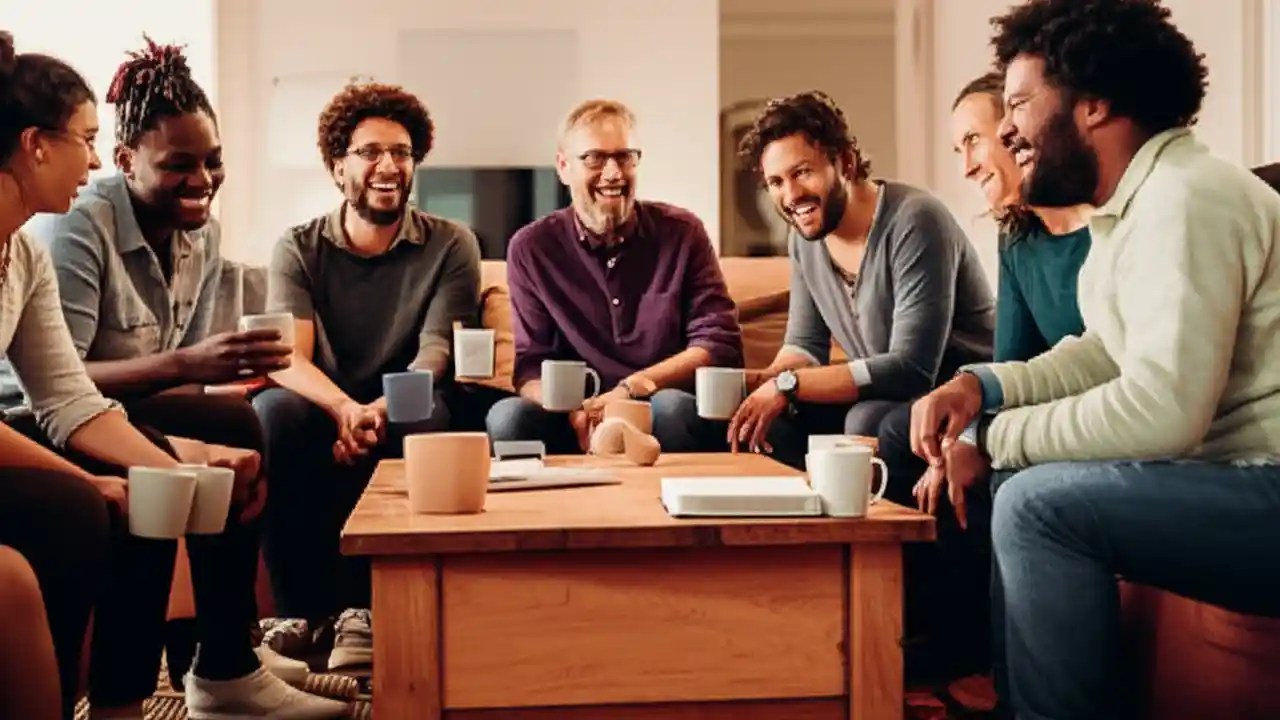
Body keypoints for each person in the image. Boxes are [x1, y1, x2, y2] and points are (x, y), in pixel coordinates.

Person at [909, 2, 1280, 718]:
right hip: (1239, 482)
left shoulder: (1187, 198)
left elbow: (1161, 411)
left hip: (1267, 488)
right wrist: (983, 386)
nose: (1008, 129)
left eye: (1018, 103)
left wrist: (991, 437)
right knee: (1028, 487)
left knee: (1037, 504)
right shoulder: (1134, 209)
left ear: (1095, 102)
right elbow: (1107, 350)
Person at [0, 33, 346, 720]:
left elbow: (71, 396)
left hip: (73, 414)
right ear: (37, 144)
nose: (93, 159)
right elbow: (49, 403)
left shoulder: (23, 258)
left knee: (183, 461)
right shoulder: (67, 232)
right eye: (86, 140)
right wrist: (122, 470)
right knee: (91, 505)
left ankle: (206, 670)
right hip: (18, 424)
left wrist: (176, 467)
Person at [873, 71, 1096, 687]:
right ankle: (962, 648)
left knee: (998, 476)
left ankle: (992, 665)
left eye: (975, 140)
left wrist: (979, 441)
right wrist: (964, 442)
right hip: (1032, 403)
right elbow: (1011, 357)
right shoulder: (1016, 234)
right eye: (959, 148)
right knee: (928, 451)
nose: (968, 164)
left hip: (1089, 413)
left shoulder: (1105, 228)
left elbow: (1107, 370)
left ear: (1018, 132)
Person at [254, 81, 481, 671]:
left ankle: (365, 612)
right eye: (371, 152)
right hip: (325, 404)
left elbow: (436, 352)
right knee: (274, 412)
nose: (389, 166)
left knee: (424, 413)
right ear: (337, 167)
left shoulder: (451, 243)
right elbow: (288, 357)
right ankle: (296, 614)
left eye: (402, 153)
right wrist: (343, 410)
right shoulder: (297, 247)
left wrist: (377, 408)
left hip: (406, 398)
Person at [728, 90, 994, 472]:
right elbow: (805, 346)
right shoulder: (806, 238)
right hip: (888, 397)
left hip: (957, 395)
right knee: (773, 422)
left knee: (866, 421)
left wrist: (788, 385)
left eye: (803, 172)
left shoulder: (916, 220)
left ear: (846, 162)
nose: (791, 195)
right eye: (776, 182)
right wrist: (762, 383)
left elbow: (911, 370)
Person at [485, 99, 742, 454]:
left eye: (624, 157)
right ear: (563, 167)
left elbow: (718, 344)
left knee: (672, 408)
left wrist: (633, 388)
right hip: (574, 413)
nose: (613, 173)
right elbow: (530, 365)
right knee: (509, 418)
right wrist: (573, 409)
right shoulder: (531, 248)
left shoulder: (683, 233)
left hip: (657, 404)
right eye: (594, 158)